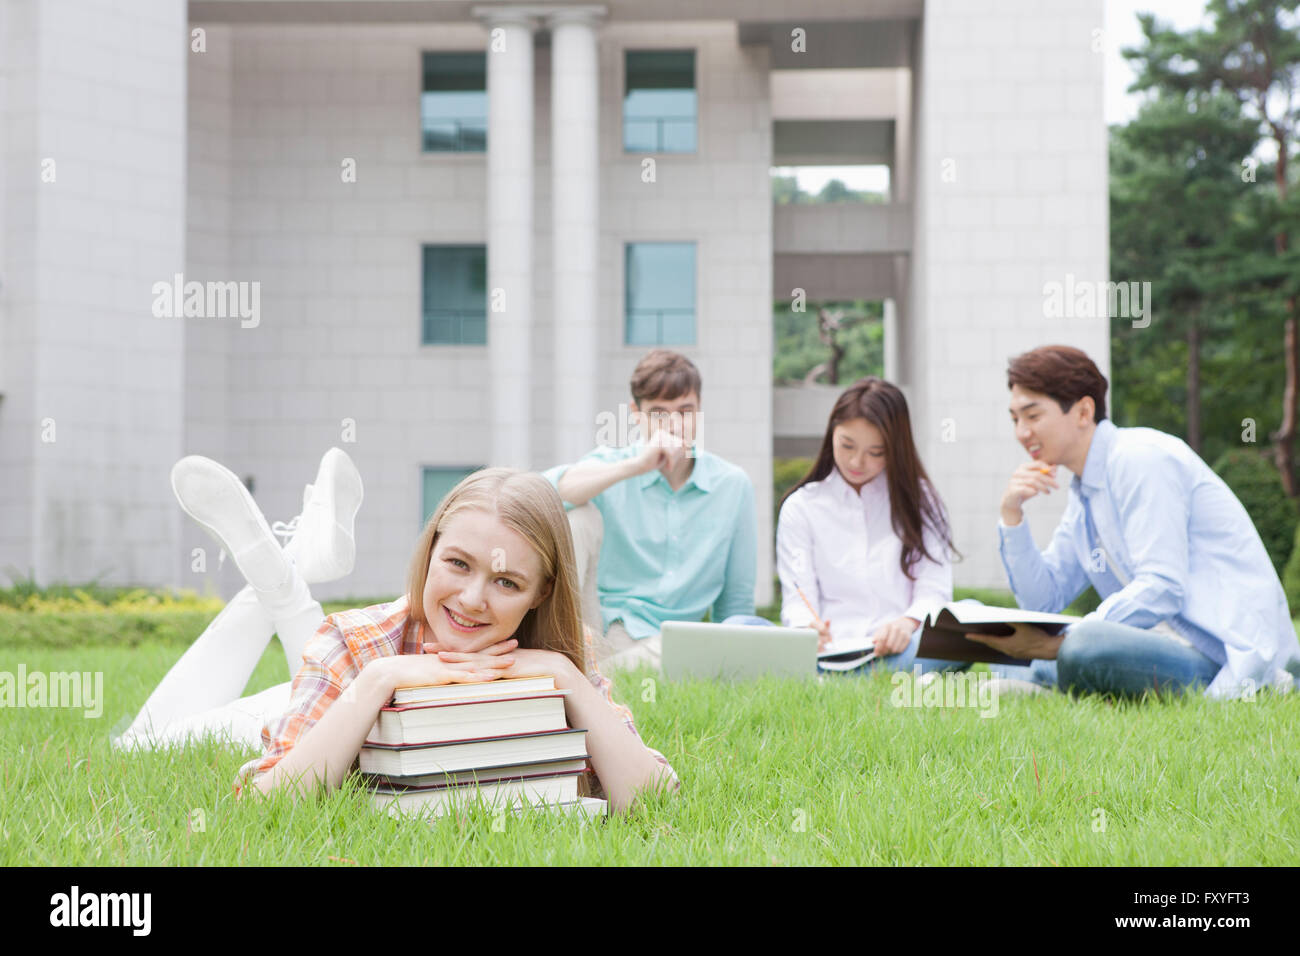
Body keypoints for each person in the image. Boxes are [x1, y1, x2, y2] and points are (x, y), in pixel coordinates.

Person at [113, 449, 678, 813]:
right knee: (143, 742)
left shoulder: (556, 656)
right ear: (428, 552)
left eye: (507, 583)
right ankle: (285, 580)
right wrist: (382, 679)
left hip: (335, 679)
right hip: (285, 709)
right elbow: (265, 807)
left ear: (542, 594)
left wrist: (562, 674)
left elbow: (652, 801)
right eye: (457, 564)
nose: (471, 600)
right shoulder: (357, 644)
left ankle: (290, 571)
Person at [972, 344, 1300, 699]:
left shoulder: (1140, 458)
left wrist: (1062, 642)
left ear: (1083, 411)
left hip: (1220, 654)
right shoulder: (1083, 495)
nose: (1022, 432)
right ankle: (1057, 682)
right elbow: (1043, 600)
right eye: (1015, 419)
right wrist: (1012, 516)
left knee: (1085, 645)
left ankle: (1056, 682)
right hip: (1157, 645)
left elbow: (1163, 587)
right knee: (1001, 644)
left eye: (1033, 416)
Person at [542, 349, 757, 673]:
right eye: (659, 413)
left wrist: (735, 659)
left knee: (677, 652)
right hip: (602, 630)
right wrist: (637, 466)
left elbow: (736, 600)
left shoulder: (732, 485)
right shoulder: (618, 465)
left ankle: (584, 676)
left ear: (699, 411)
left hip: (677, 641)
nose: (673, 425)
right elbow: (541, 495)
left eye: (685, 411)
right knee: (578, 517)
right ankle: (576, 663)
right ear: (636, 413)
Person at [775, 377, 964, 675]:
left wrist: (907, 622)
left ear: (895, 449)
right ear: (831, 434)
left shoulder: (921, 500)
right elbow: (798, 598)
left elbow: (935, 590)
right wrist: (807, 628)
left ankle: (851, 678)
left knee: (970, 617)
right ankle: (853, 675)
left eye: (875, 452)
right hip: (829, 652)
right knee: (741, 628)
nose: (856, 461)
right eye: (846, 445)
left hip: (902, 648)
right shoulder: (802, 507)